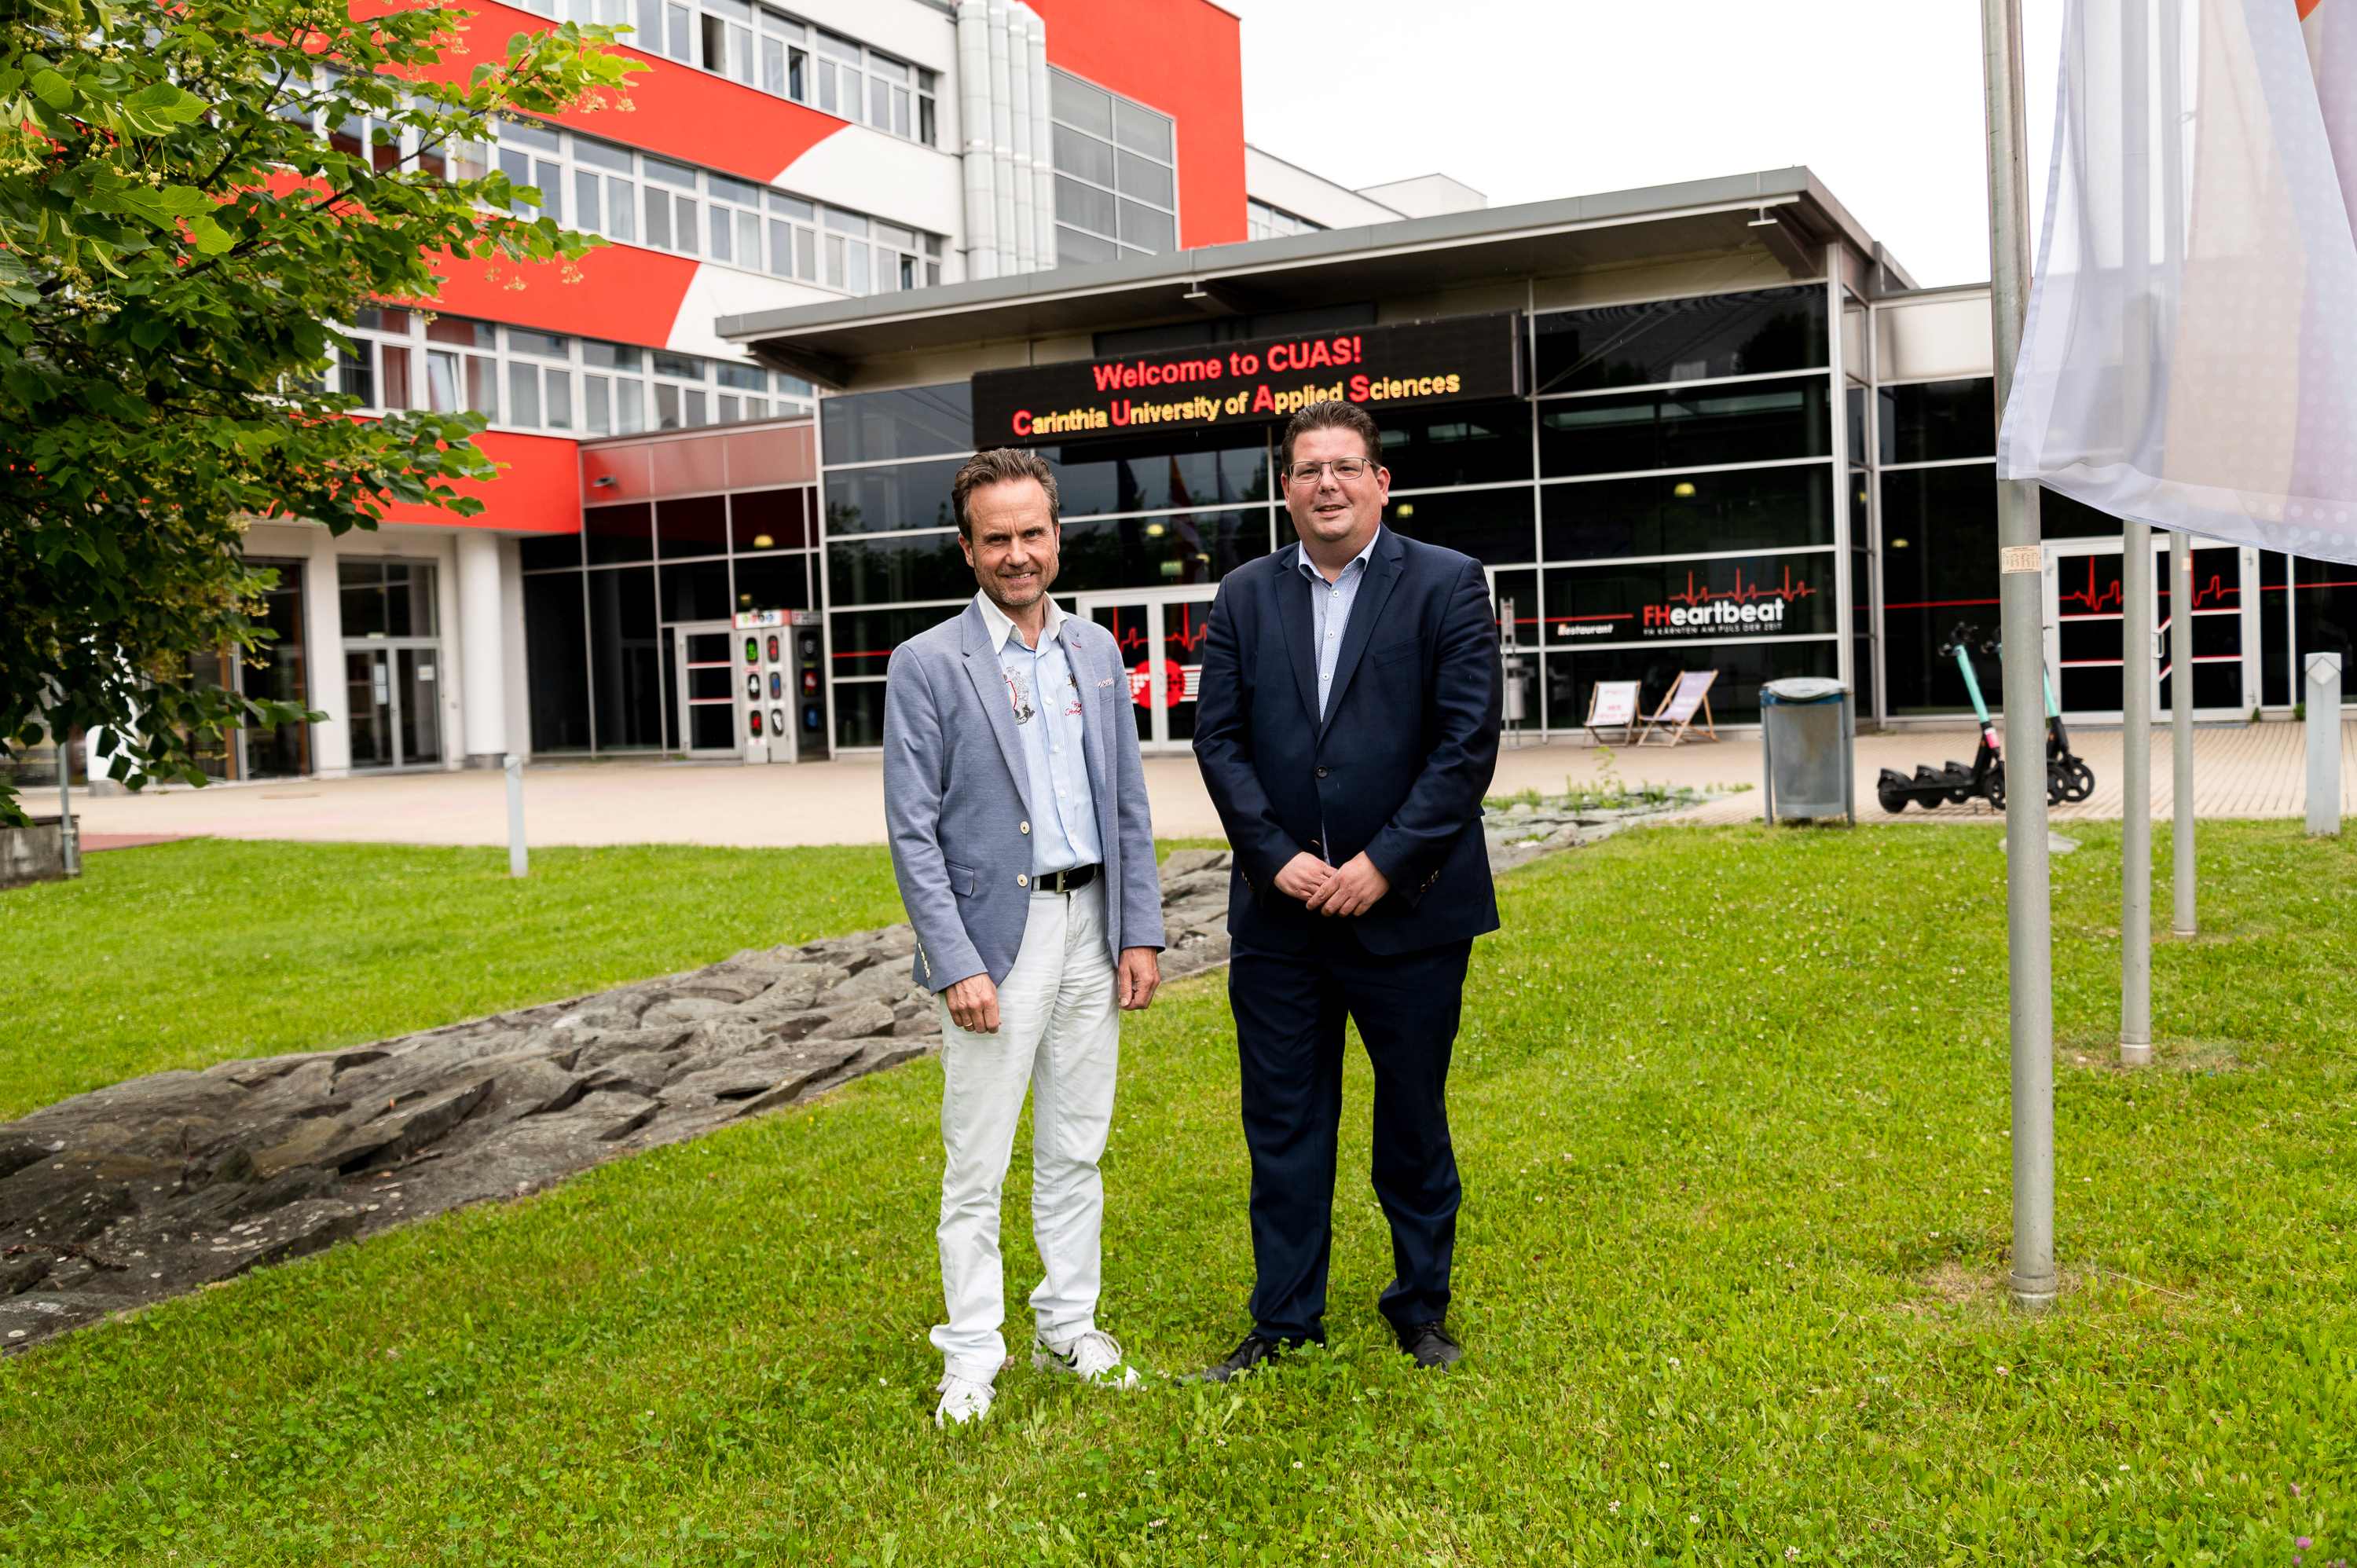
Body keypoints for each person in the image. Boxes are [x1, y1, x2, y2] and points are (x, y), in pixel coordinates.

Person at [1190, 399, 1503, 1379]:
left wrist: (1384, 863)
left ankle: (1421, 1308)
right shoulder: (1243, 595)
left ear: (1381, 481)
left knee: (1411, 1121)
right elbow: (1220, 739)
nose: (1327, 483)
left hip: (1409, 909)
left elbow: (1466, 746)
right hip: (1282, 917)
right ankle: (1284, 1322)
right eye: (1308, 467)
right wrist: (1272, 853)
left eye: (1346, 466)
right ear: (1285, 485)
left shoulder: (1448, 585)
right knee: (1284, 1126)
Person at [882, 446, 1165, 1427]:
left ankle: (1067, 1326)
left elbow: (1126, 802)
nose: (1017, 554)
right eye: (996, 538)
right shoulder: (924, 664)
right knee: (978, 1163)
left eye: (1032, 533)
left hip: (1093, 926)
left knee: (1077, 1147)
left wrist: (1140, 930)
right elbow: (911, 830)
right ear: (967, 549)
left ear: (1057, 536)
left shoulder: (1095, 651)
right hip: (996, 944)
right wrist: (956, 960)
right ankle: (971, 1352)